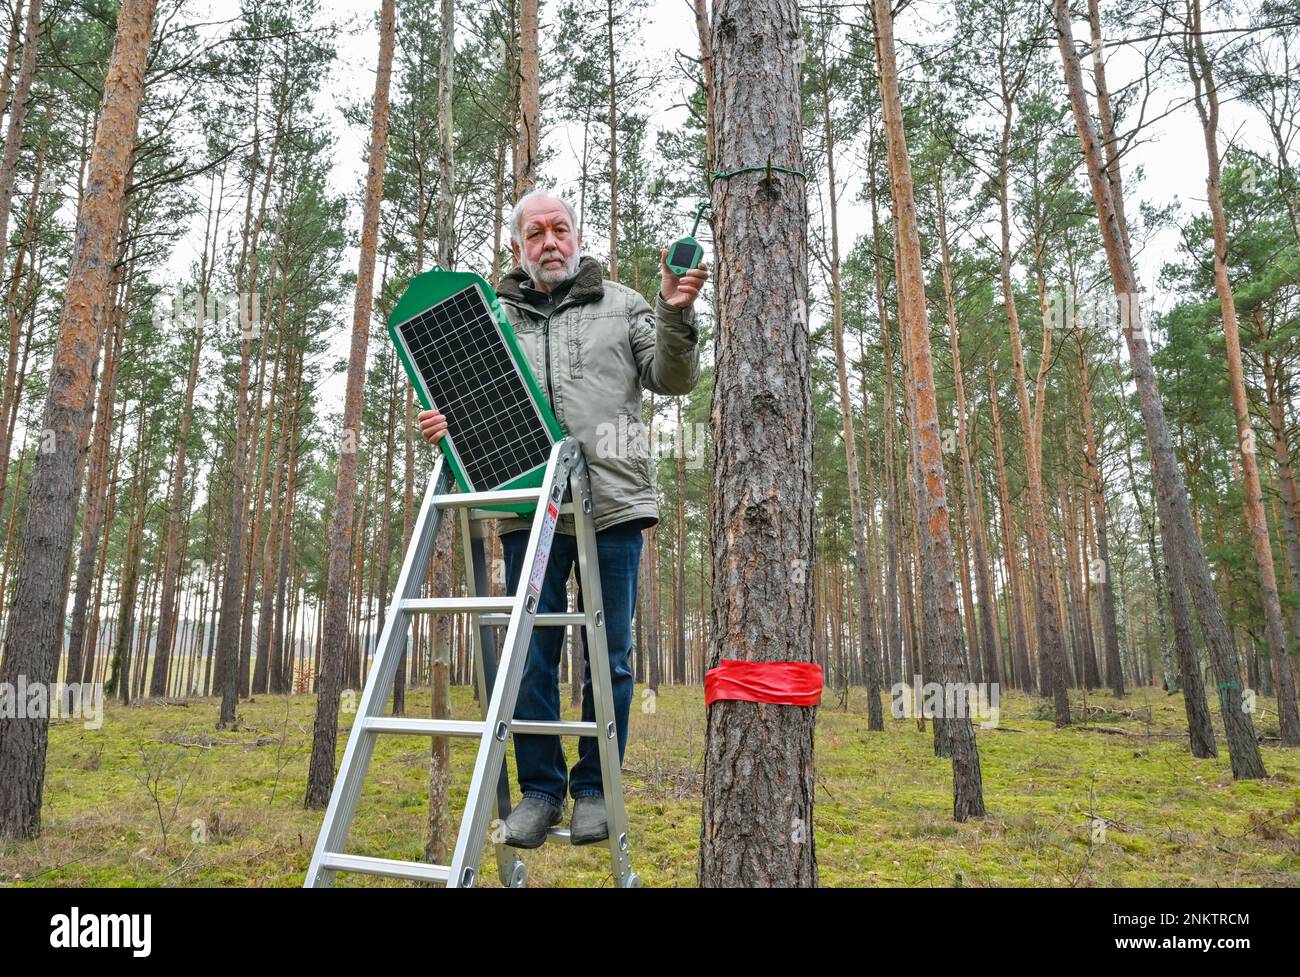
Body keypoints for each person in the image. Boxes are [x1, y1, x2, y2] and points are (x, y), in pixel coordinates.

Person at [417, 189, 708, 846]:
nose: (549, 242)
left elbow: (672, 376)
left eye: (560, 229)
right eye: (535, 233)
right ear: (517, 246)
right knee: (530, 653)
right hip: (529, 507)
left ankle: (597, 789)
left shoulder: (626, 303)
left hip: (613, 504)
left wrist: (676, 311)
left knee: (611, 657)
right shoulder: (490, 320)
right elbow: (468, 409)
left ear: (577, 237)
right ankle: (541, 790)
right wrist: (445, 426)